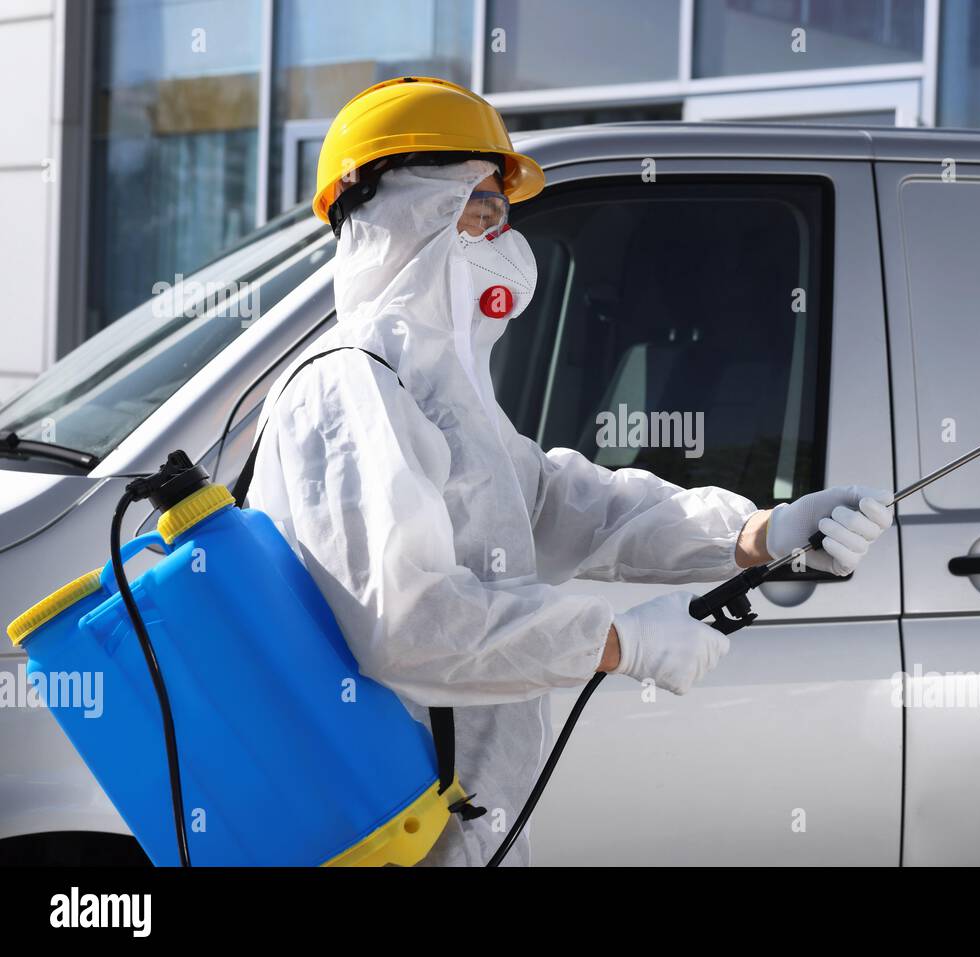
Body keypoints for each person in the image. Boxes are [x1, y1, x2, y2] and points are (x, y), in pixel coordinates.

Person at [247, 77, 893, 866]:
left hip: (459, 822)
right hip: (383, 833)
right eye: (479, 204)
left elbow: (562, 502)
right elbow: (410, 625)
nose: (497, 235)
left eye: (499, 211)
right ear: (403, 207)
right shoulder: (348, 388)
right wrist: (619, 641)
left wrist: (754, 532)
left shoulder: (434, 385)